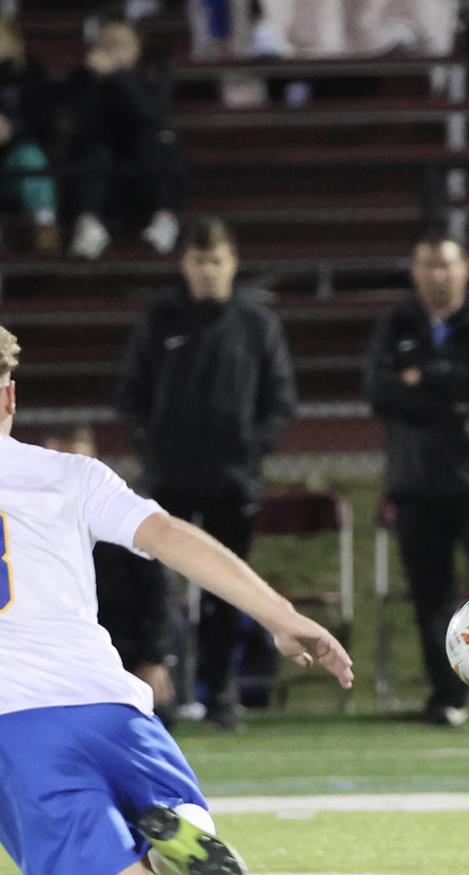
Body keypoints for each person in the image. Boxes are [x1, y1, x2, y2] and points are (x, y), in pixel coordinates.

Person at [0, 325, 357, 875]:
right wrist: (279, 614)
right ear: (9, 398)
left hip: (18, 733)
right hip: (114, 706)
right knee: (162, 847)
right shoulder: (69, 472)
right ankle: (183, 832)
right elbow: (167, 536)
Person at [115, 216, 296, 732]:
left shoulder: (257, 324)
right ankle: (156, 691)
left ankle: (219, 693)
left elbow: (280, 398)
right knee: (155, 588)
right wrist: (153, 446)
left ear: (232, 263)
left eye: (216, 261)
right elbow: (130, 393)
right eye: (198, 261)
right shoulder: (161, 320)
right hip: (168, 478)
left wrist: (251, 450)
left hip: (231, 480)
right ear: (185, 265)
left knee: (227, 589)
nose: (207, 271)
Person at [364, 231, 469, 728]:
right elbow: (379, 391)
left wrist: (420, 380)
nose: (437, 275)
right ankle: (448, 695)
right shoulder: (397, 325)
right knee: (430, 596)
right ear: (414, 272)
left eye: (446, 265)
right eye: (428, 265)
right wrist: (447, 395)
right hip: (415, 480)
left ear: (465, 270)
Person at [44, 425, 177, 718]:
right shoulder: (29, 517)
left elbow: (160, 592)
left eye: (72, 458)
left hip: (124, 648)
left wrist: (154, 657)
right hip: (59, 653)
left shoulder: (121, 511)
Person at [65, 18, 185, 260]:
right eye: (107, 45)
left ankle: (165, 218)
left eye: (121, 44)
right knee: (94, 148)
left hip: (144, 167)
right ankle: (88, 224)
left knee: (162, 141)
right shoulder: (84, 77)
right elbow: (82, 122)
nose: (114, 52)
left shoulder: (155, 72)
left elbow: (152, 115)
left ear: (137, 48)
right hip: (104, 169)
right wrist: (95, 79)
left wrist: (118, 76)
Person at [1, 14, 59, 254]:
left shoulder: (31, 73)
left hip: (16, 162)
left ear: (14, 40)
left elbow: (46, 125)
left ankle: (45, 227)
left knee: (29, 157)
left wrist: (12, 129)